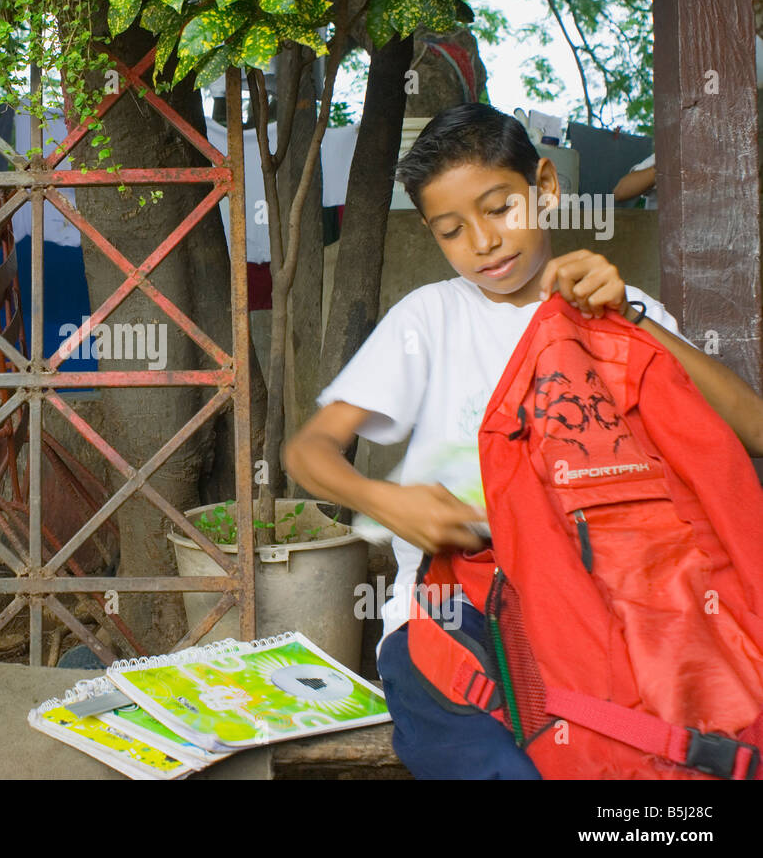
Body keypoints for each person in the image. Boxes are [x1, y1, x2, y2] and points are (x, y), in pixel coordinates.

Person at [284, 103, 763, 779]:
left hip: (614, 603)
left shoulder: (622, 311)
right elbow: (307, 453)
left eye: (500, 207)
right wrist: (388, 504)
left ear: (545, 187)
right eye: (452, 230)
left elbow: (751, 428)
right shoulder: (432, 317)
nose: (483, 241)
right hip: (461, 607)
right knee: (501, 763)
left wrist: (627, 316)